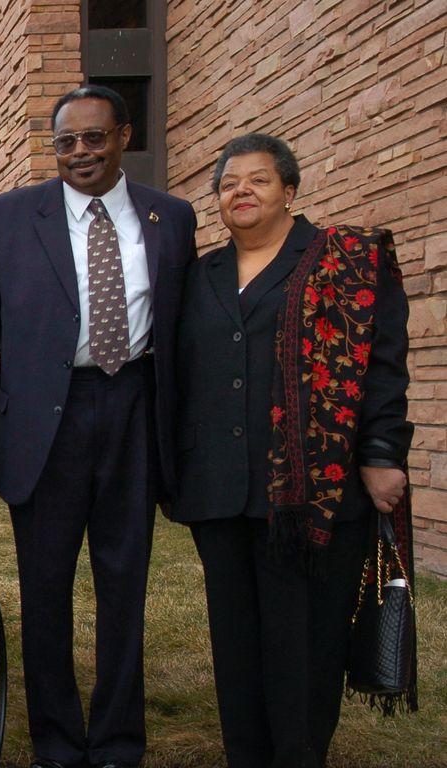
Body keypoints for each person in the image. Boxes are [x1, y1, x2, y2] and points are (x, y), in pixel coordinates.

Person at [0, 84, 198, 768]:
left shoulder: (172, 217)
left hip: (134, 409)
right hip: (41, 420)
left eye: (94, 137)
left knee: (125, 586)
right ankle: (55, 740)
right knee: (45, 588)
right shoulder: (5, 218)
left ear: (124, 136)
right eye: (66, 141)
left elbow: (182, 332)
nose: (80, 151)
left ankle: (116, 742)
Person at [171, 133, 411, 768]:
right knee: (236, 642)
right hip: (220, 488)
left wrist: (381, 452)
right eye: (228, 184)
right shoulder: (200, 275)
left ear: (290, 190)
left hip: (313, 491)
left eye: (258, 179)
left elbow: (383, 366)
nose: (241, 192)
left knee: (303, 641)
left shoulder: (343, 263)